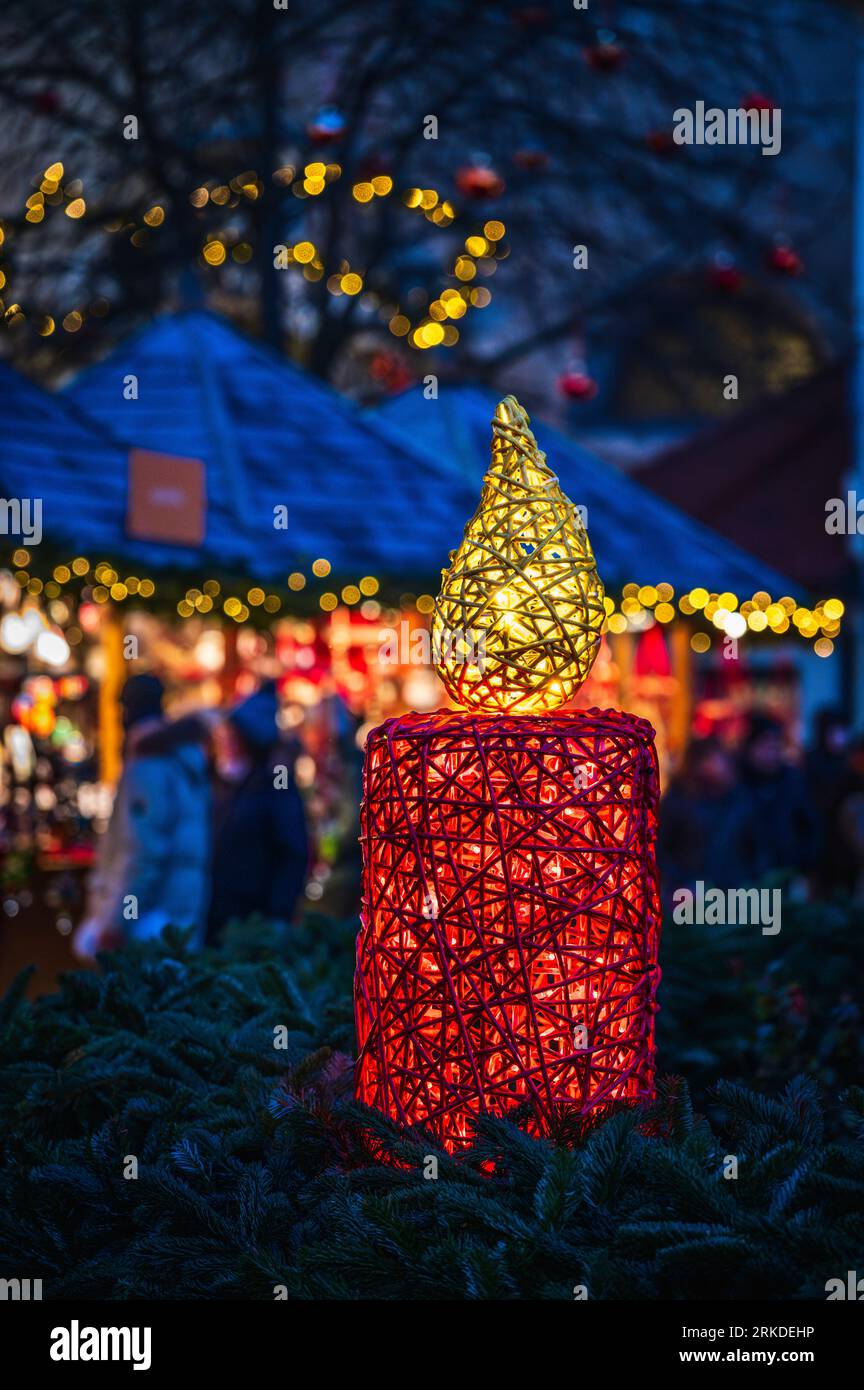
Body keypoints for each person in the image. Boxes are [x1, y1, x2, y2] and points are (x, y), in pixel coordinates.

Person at [74, 674, 212, 958]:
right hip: (178, 917)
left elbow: (141, 854)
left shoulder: (148, 766)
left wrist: (116, 922)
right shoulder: (182, 759)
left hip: (151, 923)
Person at [206, 681, 309, 940]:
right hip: (217, 913)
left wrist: (277, 914)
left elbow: (293, 852)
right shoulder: (226, 782)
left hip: (253, 919)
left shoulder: (275, 787)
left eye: (234, 737)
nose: (227, 742)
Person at [658, 736, 751, 897]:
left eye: (724, 759)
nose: (724, 766)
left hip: (731, 894)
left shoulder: (739, 800)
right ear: (697, 764)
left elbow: (751, 848)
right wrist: (680, 883)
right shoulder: (679, 800)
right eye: (716, 759)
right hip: (687, 894)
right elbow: (660, 848)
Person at [737, 713, 817, 883]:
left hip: (785, 875)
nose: (770, 753)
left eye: (775, 747)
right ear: (750, 747)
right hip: (742, 880)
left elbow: (809, 825)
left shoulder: (792, 781)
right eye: (764, 746)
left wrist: (802, 862)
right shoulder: (736, 783)